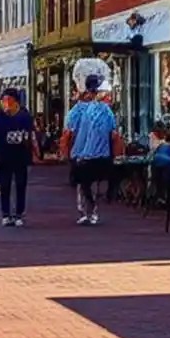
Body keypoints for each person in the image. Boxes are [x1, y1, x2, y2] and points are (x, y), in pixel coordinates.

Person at [66, 74, 117, 226]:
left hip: (83, 154)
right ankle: (92, 211)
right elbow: (113, 133)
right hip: (97, 153)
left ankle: (86, 211)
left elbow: (69, 131)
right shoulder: (105, 110)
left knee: (84, 184)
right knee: (93, 184)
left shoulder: (79, 109)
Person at [0, 89, 37, 227]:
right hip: (4, 157)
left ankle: (19, 214)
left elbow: (31, 135)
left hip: (21, 157)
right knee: (4, 185)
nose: (6, 104)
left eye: (9, 101)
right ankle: (6, 214)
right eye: (3, 101)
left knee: (20, 184)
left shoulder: (24, 116)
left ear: (16, 102)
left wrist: (36, 151)